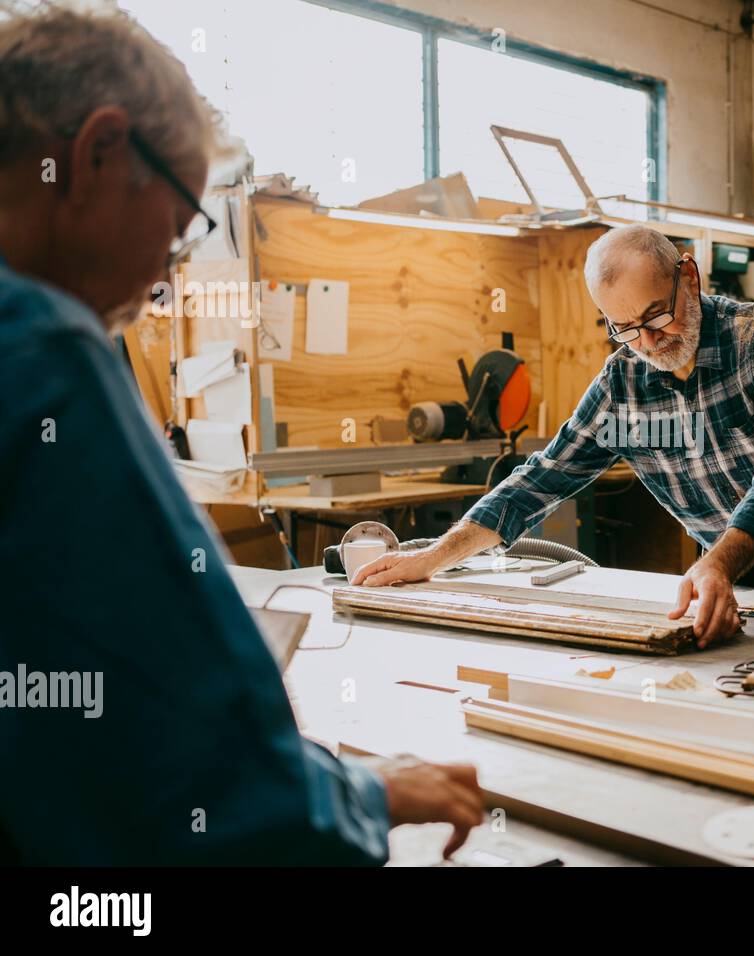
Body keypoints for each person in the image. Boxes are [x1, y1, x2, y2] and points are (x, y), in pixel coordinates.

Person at [0, 4, 482, 865]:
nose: (167, 275)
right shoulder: (40, 343)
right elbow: (212, 769)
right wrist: (365, 791)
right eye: (183, 226)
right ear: (99, 154)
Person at [356, 225, 754, 646]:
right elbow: (539, 480)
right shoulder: (621, 385)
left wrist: (714, 562)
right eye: (625, 328)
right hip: (737, 573)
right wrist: (432, 557)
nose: (650, 341)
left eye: (658, 316)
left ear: (689, 277)